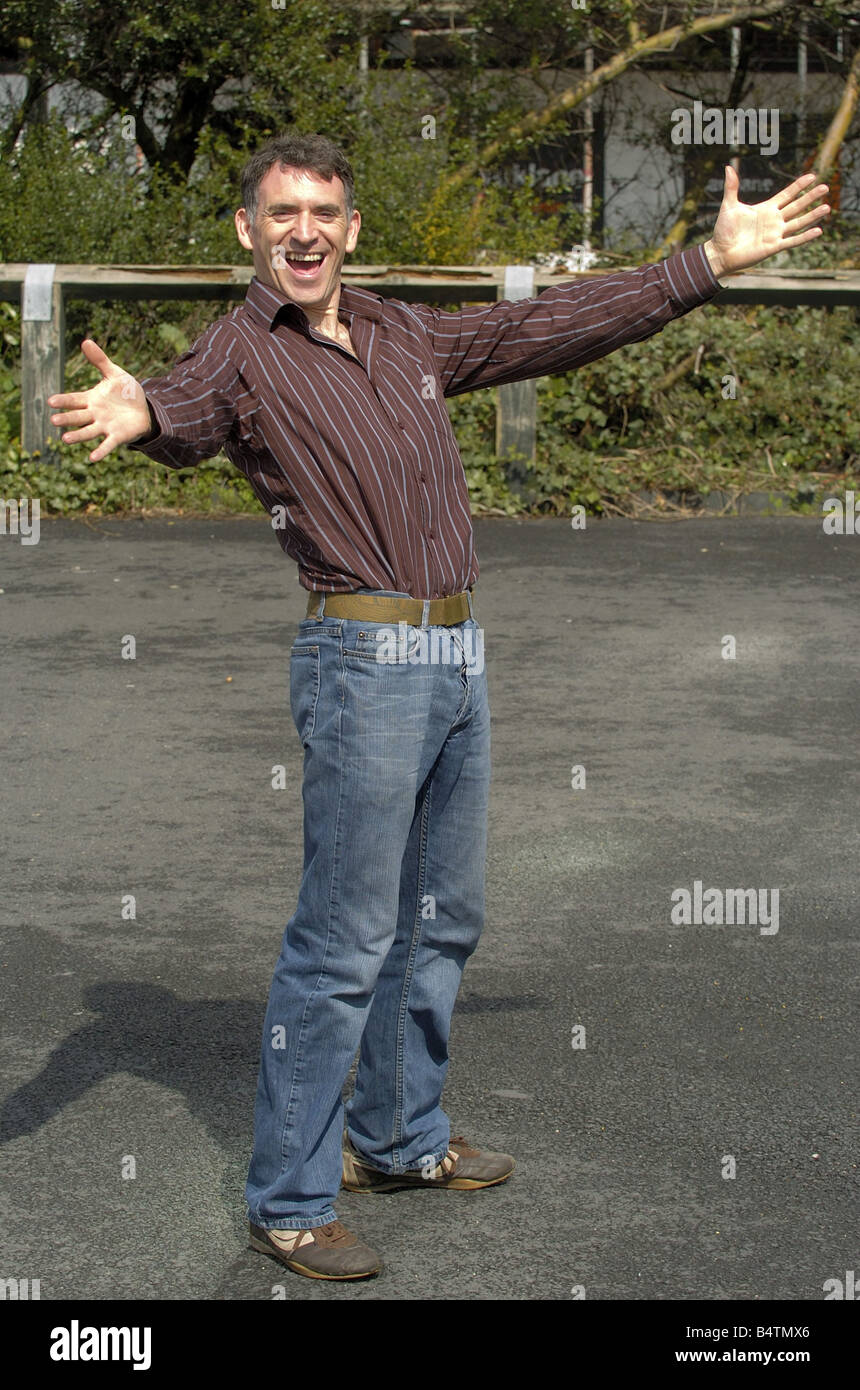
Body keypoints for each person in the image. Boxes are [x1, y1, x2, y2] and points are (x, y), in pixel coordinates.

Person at [48, 133, 829, 1282]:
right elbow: (182, 406)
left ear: (351, 229)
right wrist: (142, 414)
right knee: (342, 941)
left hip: (456, 651)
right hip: (360, 665)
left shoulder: (403, 330)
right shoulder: (239, 352)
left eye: (322, 211)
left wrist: (701, 263)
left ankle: (399, 1139)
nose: (302, 230)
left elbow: (537, 329)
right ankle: (290, 1199)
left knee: (439, 918)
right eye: (280, 214)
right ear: (246, 231)